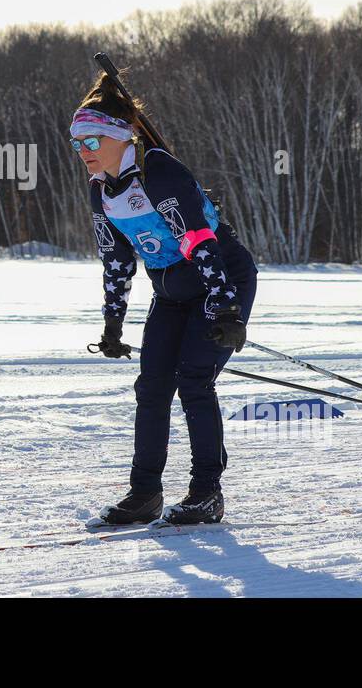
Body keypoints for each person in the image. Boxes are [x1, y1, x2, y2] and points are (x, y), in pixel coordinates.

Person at [73, 75, 257, 525]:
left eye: (93, 139)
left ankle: (206, 492)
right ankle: (144, 494)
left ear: (121, 136)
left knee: (194, 380)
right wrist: (113, 325)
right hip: (172, 293)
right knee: (152, 387)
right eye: (77, 142)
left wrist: (227, 307)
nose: (84, 151)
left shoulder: (160, 171)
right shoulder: (101, 191)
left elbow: (199, 242)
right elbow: (116, 262)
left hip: (220, 280)